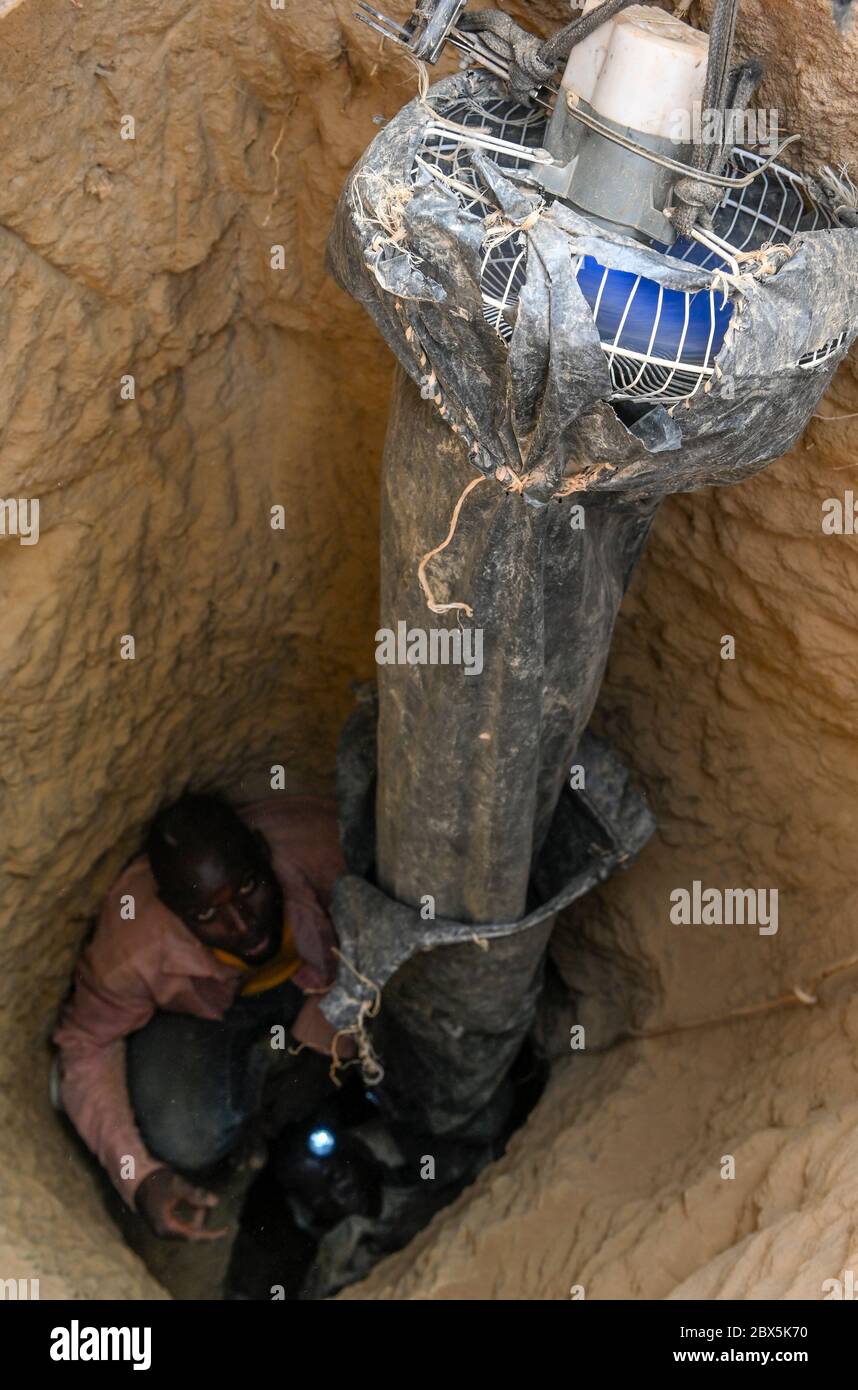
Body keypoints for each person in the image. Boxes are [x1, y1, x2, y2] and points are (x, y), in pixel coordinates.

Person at [53, 792, 353, 1242]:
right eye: (207, 914)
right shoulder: (132, 950)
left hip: (318, 977)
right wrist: (139, 1178)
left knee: (379, 1045)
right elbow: (84, 1048)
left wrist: (327, 1046)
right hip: (207, 1013)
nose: (242, 925)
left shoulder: (330, 853)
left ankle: (285, 1074)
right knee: (184, 1134)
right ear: (172, 908)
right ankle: (254, 1092)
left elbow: (393, 951)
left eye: (250, 887)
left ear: (261, 851)